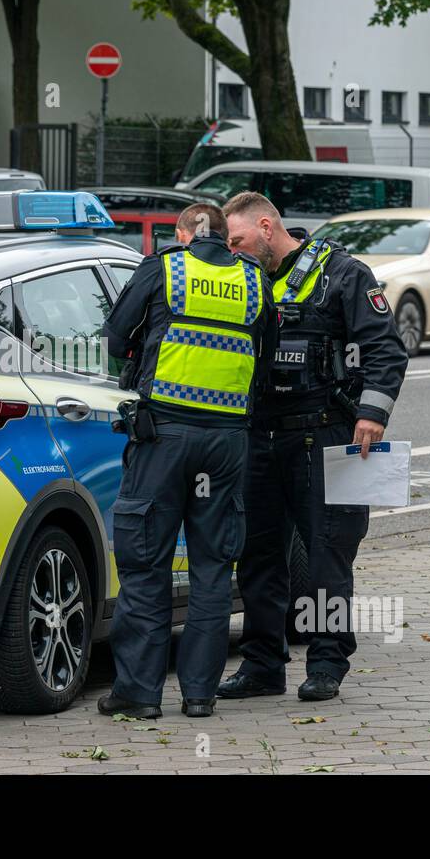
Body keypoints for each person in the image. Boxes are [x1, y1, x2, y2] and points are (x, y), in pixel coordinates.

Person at [217, 192, 407, 702]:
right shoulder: (241, 280)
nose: (232, 250)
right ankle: (261, 665)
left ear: (265, 225)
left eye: (236, 239)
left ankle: (326, 661)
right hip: (259, 435)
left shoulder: (342, 273)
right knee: (256, 556)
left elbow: (385, 348)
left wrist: (372, 413)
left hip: (325, 434)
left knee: (327, 555)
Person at [99, 203, 274, 719]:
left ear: (184, 233)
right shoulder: (254, 281)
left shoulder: (163, 268)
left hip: (164, 439)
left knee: (145, 564)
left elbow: (112, 339)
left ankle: (138, 693)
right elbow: (263, 360)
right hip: (226, 443)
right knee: (213, 569)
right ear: (227, 236)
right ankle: (199, 695)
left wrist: (140, 360)